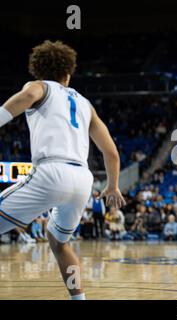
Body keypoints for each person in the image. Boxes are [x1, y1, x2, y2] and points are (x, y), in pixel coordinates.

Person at [0, 40, 125, 300]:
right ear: (68, 73)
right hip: (82, 181)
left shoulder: (39, 86)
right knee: (58, 241)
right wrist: (112, 186)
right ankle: (79, 299)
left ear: (38, 69)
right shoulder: (85, 104)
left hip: (50, 171)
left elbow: (26, 97)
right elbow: (111, 152)